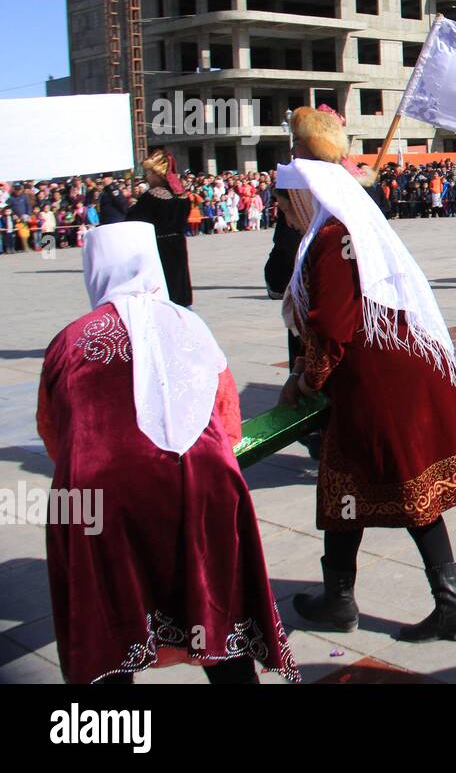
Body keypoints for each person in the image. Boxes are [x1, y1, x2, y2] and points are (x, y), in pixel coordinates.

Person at [37, 222, 299, 684]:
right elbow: (228, 419)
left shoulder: (70, 340)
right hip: (203, 486)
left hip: (100, 500)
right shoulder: (189, 324)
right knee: (218, 604)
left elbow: (54, 434)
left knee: (112, 623)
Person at [276, 144, 456, 643]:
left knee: (406, 488)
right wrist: (306, 371)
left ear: (306, 197)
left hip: (377, 384)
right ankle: (341, 599)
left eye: (285, 200)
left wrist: (304, 381)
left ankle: (452, 607)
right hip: (388, 370)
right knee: (346, 485)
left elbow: (332, 326)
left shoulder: (334, 238)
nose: (281, 211)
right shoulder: (342, 232)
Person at [126, 149, 194, 306]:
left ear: (158, 174)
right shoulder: (183, 197)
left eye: (149, 173)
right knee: (178, 284)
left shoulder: (151, 197)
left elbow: (133, 221)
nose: (147, 177)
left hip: (158, 246)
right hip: (178, 244)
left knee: (162, 287)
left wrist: (133, 207)